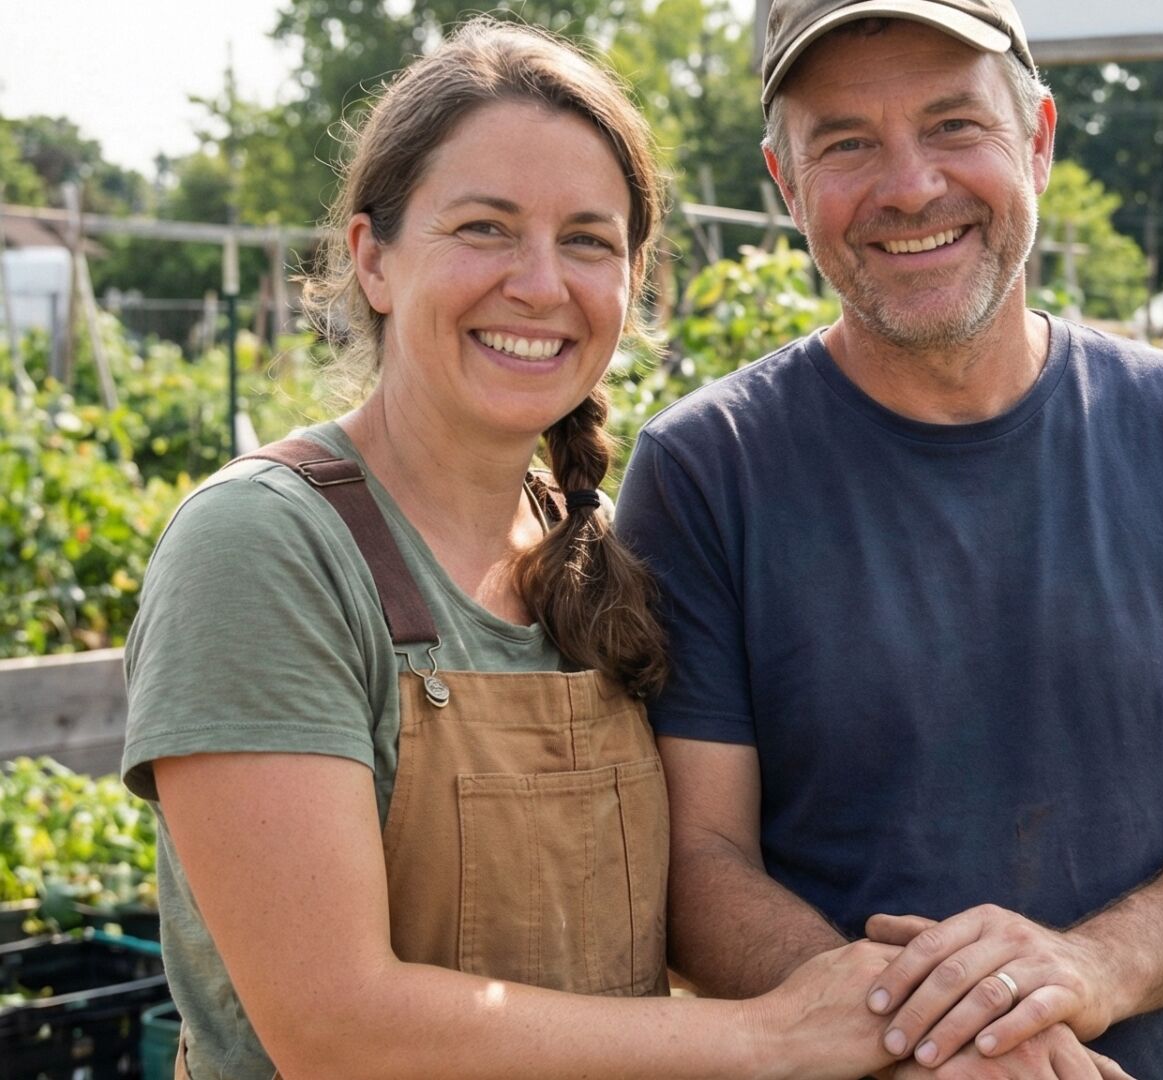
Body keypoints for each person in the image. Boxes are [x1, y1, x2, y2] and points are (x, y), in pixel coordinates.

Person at [120, 21, 906, 1080]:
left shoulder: (592, 550)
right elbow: (334, 1026)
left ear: (633, 280)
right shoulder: (265, 548)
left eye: (587, 240)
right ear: (373, 258)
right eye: (485, 228)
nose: (540, 284)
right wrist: (768, 1037)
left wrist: (934, 1003)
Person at [612, 2, 1163, 1077]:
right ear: (786, 184)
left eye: (956, 125)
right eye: (848, 143)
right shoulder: (706, 469)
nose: (910, 186)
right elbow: (694, 860)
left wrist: (1091, 967)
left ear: (1040, 141)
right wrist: (931, 1043)